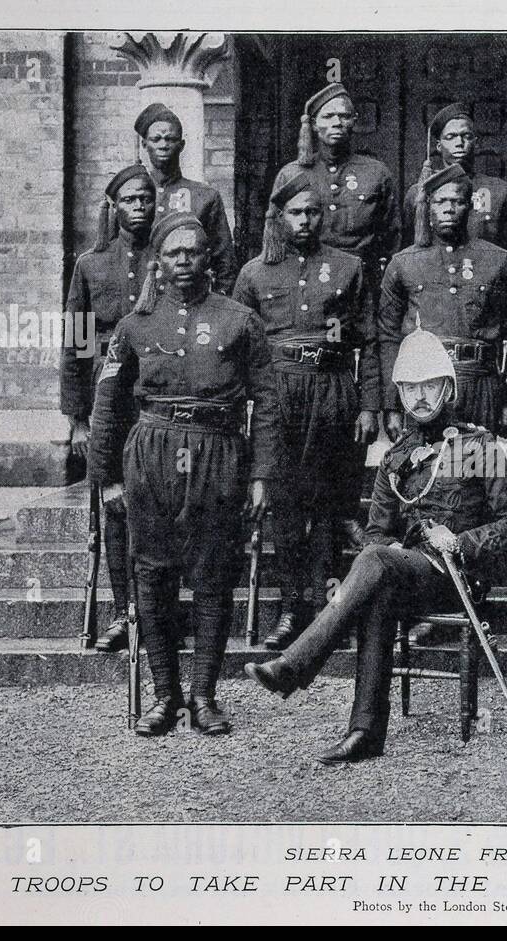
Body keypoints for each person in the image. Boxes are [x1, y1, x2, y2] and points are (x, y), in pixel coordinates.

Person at [245, 326, 507, 765]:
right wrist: (394, 550)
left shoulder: (479, 445)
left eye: (429, 386)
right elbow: (378, 533)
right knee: (377, 581)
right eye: (409, 388)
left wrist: (463, 541)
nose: (419, 398)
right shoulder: (396, 458)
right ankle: (364, 731)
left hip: (459, 575)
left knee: (376, 567)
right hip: (406, 572)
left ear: (449, 388)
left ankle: (295, 666)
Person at [90, 213, 280, 736]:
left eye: (192, 252)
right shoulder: (134, 325)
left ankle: (204, 697)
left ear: (208, 258)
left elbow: (266, 403)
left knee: (215, 574)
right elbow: (107, 407)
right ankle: (164, 695)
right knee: (152, 575)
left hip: (219, 456)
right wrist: (106, 478)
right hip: (152, 455)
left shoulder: (240, 319)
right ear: (159, 262)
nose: (183, 261)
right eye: (173, 253)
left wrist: (262, 475)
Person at [232, 169, 379, 650]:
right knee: (284, 506)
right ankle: (292, 608)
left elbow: (369, 340)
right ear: (278, 217)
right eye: (295, 213)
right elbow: (239, 346)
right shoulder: (254, 273)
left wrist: (369, 405)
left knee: (331, 504)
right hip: (279, 394)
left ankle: (328, 609)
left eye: (313, 212)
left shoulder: (347, 267)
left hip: (334, 389)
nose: (305, 221)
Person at [270, 82, 400, 540]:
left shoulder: (375, 173)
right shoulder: (293, 171)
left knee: (342, 401)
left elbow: (390, 239)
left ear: (355, 122)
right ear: (313, 124)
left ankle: (345, 511)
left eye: (345, 116)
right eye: (328, 117)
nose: (338, 124)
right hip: (301, 297)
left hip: (353, 288)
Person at [62, 164, 155, 651]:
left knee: (159, 502)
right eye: (130, 200)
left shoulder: (170, 256)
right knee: (114, 507)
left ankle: (159, 611)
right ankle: (124, 612)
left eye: (146, 199)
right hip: (107, 398)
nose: (139, 207)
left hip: (156, 394)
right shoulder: (90, 265)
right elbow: (76, 344)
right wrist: (79, 417)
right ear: (114, 207)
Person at [380, 163, 507, 437]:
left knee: (478, 470)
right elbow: (388, 336)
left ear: (470, 206)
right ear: (427, 207)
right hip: (424, 385)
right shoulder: (403, 263)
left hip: (480, 384)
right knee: (424, 470)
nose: (449, 208)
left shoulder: (497, 261)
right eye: (441, 202)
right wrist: (391, 404)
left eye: (457, 201)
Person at [134, 102, 236, 294]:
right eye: (156, 139)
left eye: (170, 139)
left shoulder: (205, 197)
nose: (163, 145)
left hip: (187, 301)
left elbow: (224, 262)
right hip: (140, 300)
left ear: (181, 145)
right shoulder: (132, 197)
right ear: (144, 144)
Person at [401, 102, 507, 257]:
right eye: (451, 137)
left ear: (476, 143)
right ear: (438, 146)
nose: (459, 143)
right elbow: (407, 253)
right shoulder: (419, 192)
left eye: (466, 136)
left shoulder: (499, 191)